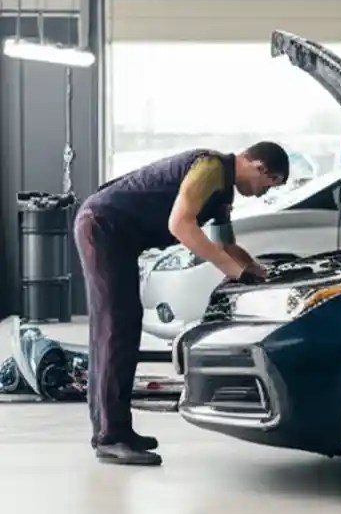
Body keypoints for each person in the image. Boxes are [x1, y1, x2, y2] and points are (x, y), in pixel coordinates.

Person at [73, 142, 289, 465]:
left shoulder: (222, 194)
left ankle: (116, 430)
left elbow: (225, 245)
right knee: (115, 329)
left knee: (120, 327)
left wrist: (258, 270)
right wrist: (232, 271)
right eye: (269, 185)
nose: (262, 194)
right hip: (102, 225)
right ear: (259, 167)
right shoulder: (210, 168)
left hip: (115, 233)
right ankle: (110, 437)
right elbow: (180, 224)